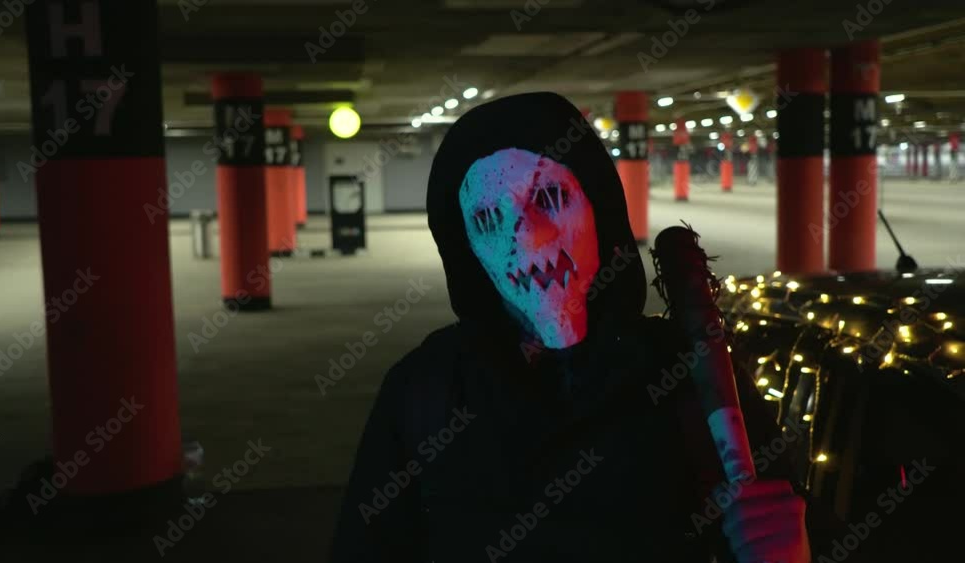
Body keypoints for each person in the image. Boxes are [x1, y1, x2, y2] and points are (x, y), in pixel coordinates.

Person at [328, 92, 811, 563]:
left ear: (599, 211)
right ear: (467, 250)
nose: (530, 235)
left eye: (551, 196)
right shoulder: (425, 392)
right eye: (492, 218)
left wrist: (792, 549)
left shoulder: (690, 372)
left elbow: (785, 515)